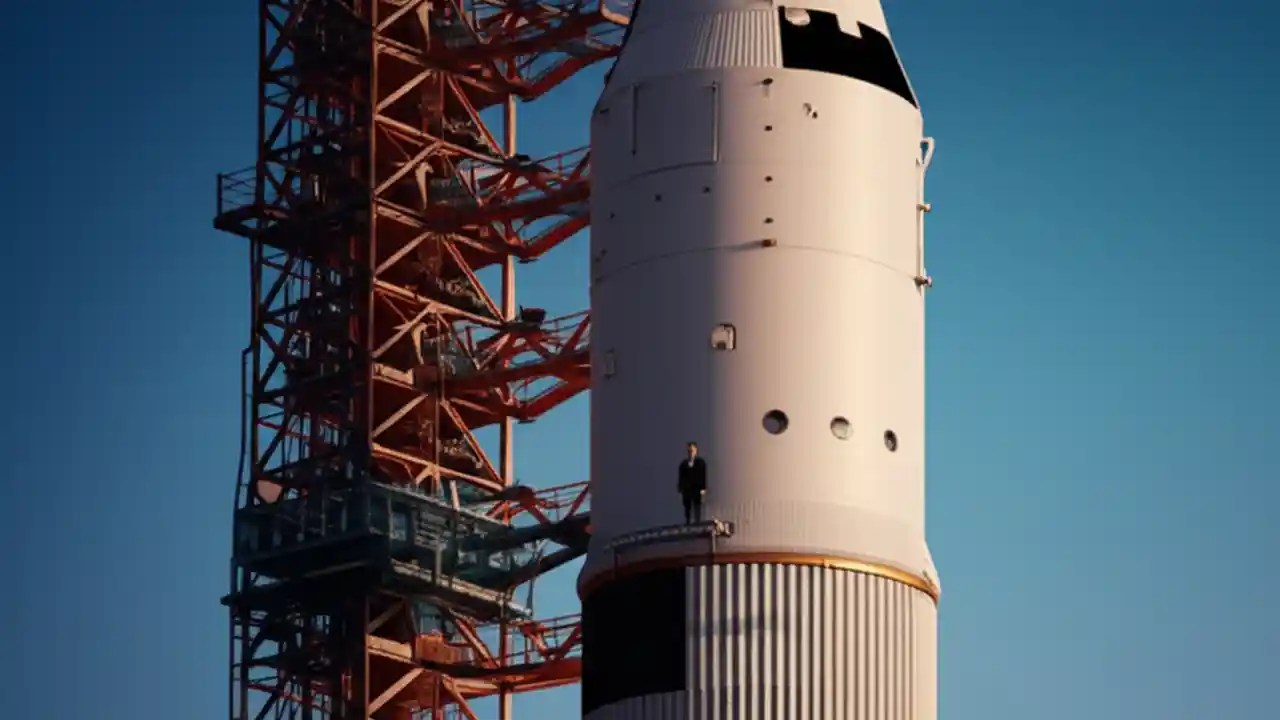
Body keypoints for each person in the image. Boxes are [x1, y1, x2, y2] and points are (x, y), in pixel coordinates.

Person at [677, 441, 707, 524]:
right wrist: (680, 489)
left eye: (692, 451)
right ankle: (688, 522)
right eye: (689, 451)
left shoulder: (700, 463)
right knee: (687, 507)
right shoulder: (683, 464)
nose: (690, 453)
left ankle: (697, 522)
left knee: (697, 506)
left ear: (696, 451)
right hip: (687, 490)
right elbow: (681, 477)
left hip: (696, 489)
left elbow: (703, 475)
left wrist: (703, 488)